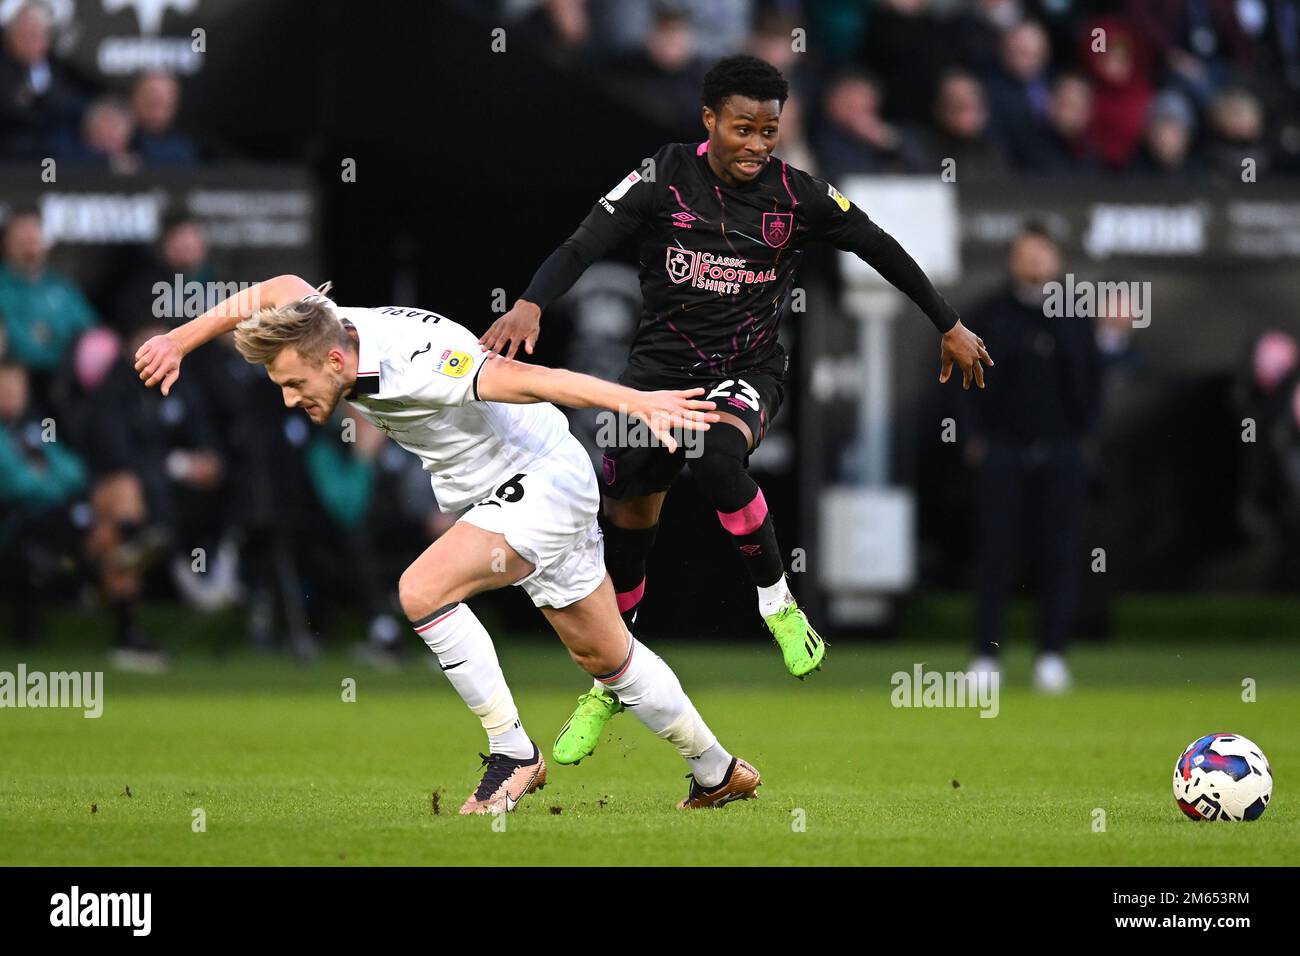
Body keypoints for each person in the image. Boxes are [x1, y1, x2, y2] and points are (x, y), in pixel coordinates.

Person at [481, 54, 992, 764]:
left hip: (747, 372)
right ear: (709, 121)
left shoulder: (797, 195)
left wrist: (949, 323)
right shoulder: (662, 175)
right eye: (743, 128)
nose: (757, 144)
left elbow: (879, 246)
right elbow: (583, 241)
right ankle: (610, 681)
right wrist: (532, 302)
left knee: (719, 457)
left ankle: (779, 605)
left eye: (770, 130)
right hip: (654, 382)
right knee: (627, 525)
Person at [134, 275, 761, 813]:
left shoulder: (421, 364)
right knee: (606, 656)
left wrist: (635, 404)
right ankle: (717, 770)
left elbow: (530, 379)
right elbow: (275, 291)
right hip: (510, 487)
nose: (290, 398)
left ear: (332, 361)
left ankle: (512, 753)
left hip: (540, 478)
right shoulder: (321, 324)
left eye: (293, 384)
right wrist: (178, 340)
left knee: (421, 590)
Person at [960, 225, 1100, 693]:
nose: (1035, 262)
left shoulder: (1075, 317)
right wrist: (977, 439)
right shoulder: (989, 315)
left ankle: (1052, 656)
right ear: (1012, 259)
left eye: (1043, 253)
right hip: (1004, 453)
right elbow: (963, 383)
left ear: (1056, 260)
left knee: (1058, 556)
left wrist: (1082, 439)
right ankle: (986, 656)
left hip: (1061, 454)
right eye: (1027, 253)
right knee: (996, 556)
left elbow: (1093, 383)